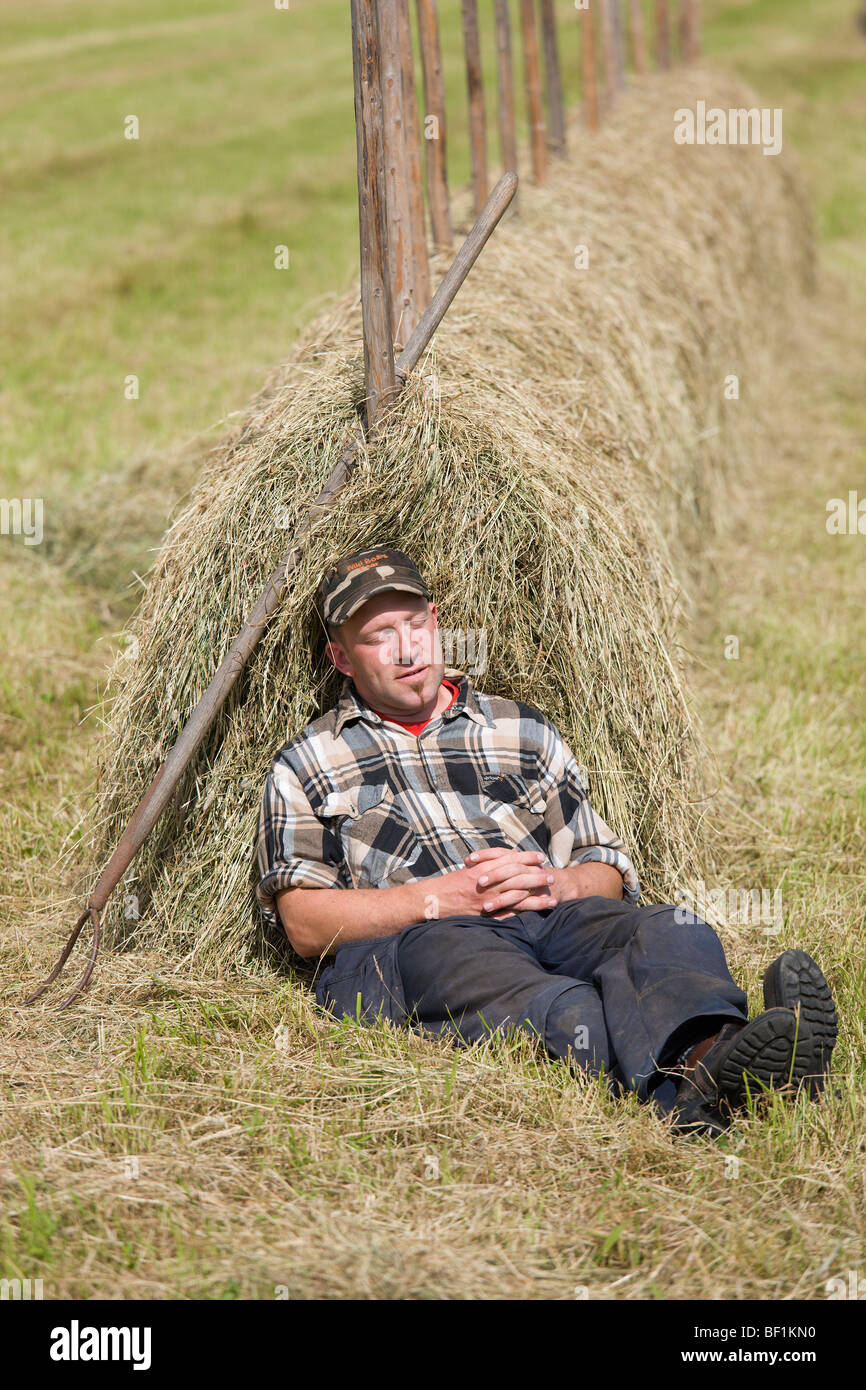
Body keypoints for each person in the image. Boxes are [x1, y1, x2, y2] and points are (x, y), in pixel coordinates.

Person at [256, 546, 837, 1136]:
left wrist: (560, 882)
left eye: (416, 625)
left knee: (670, 928)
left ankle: (713, 1057)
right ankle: (727, 1074)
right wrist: (443, 898)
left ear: (436, 622)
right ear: (341, 658)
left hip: (551, 916)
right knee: (546, 996)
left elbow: (603, 865)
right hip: (429, 943)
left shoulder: (521, 728)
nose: (408, 648)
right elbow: (304, 925)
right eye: (380, 635)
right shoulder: (308, 762)